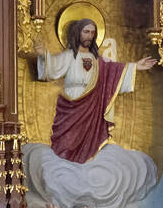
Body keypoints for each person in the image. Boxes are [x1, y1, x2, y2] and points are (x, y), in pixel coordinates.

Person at [33, 19, 155, 164]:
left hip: (92, 110)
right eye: (86, 32)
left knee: (89, 149)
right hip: (71, 108)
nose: (89, 36)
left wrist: (135, 66)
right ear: (78, 33)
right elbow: (52, 67)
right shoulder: (69, 56)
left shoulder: (99, 61)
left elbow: (115, 71)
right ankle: (63, 168)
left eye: (92, 33)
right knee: (66, 144)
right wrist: (43, 54)